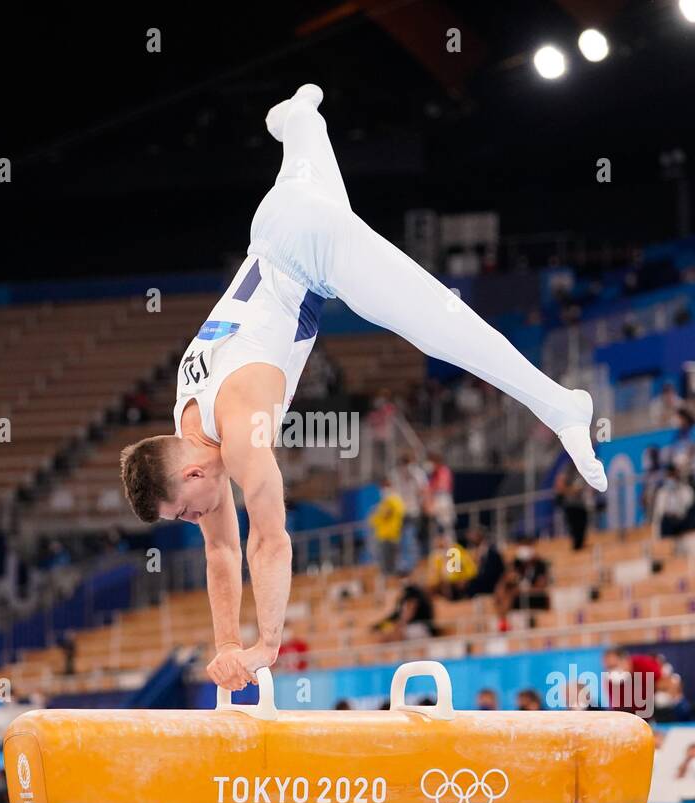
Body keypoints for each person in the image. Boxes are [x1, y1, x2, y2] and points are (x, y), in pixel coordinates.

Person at [117, 84, 606, 692]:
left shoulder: (240, 432)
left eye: (187, 511)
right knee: (304, 173)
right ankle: (300, 121)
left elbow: (268, 541)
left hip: (305, 251)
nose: (196, 519)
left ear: (190, 476)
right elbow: (221, 553)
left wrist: (265, 643)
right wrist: (224, 646)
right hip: (273, 226)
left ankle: (560, 404)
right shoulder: (191, 433)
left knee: (435, 325)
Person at [494, 538, 551, 628]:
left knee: (510, 595)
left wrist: (522, 590)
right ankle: (503, 622)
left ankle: (503, 623)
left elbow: (541, 587)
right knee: (504, 592)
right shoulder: (518, 565)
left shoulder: (540, 565)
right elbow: (506, 579)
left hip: (536, 597)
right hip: (520, 598)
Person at [368, 478, 405, 577]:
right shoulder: (384, 502)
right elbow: (374, 519)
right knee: (384, 564)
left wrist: (378, 516)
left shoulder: (393, 500)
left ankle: (393, 581)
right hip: (383, 536)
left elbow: (385, 514)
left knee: (391, 564)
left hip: (391, 535)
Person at [555, 462, 592, 551]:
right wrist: (570, 490)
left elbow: (581, 487)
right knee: (574, 527)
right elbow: (559, 485)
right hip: (571, 504)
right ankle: (576, 546)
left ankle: (579, 545)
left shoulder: (583, 468)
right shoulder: (567, 469)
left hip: (581, 504)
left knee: (582, 526)